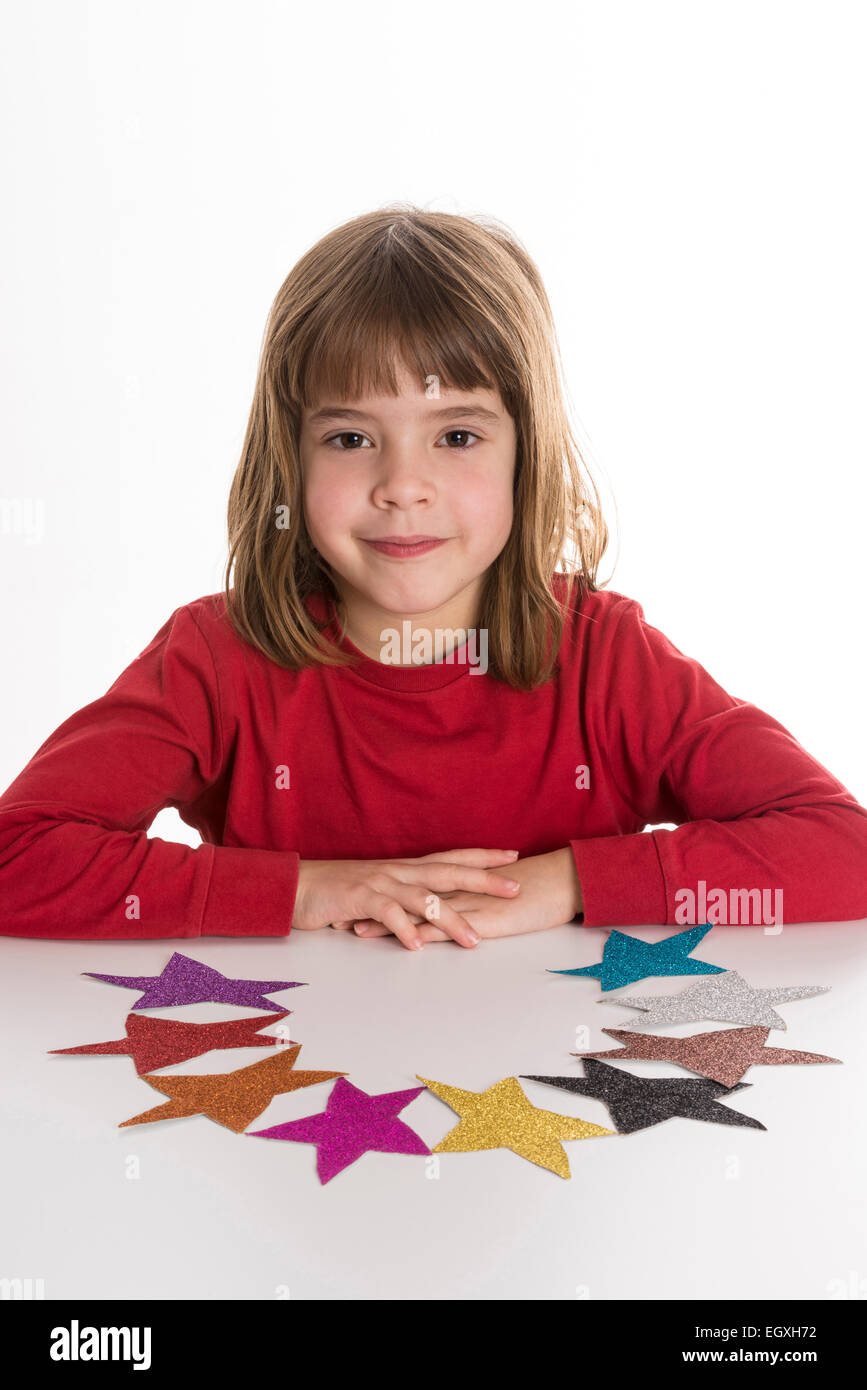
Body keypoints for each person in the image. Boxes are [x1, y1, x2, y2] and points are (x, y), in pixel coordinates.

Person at [1, 205, 865, 949]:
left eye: (456, 435)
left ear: (525, 454)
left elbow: (841, 850)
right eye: (349, 438)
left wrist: (565, 883)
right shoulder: (216, 658)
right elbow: (17, 859)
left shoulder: (608, 659)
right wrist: (308, 890)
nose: (401, 486)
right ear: (288, 461)